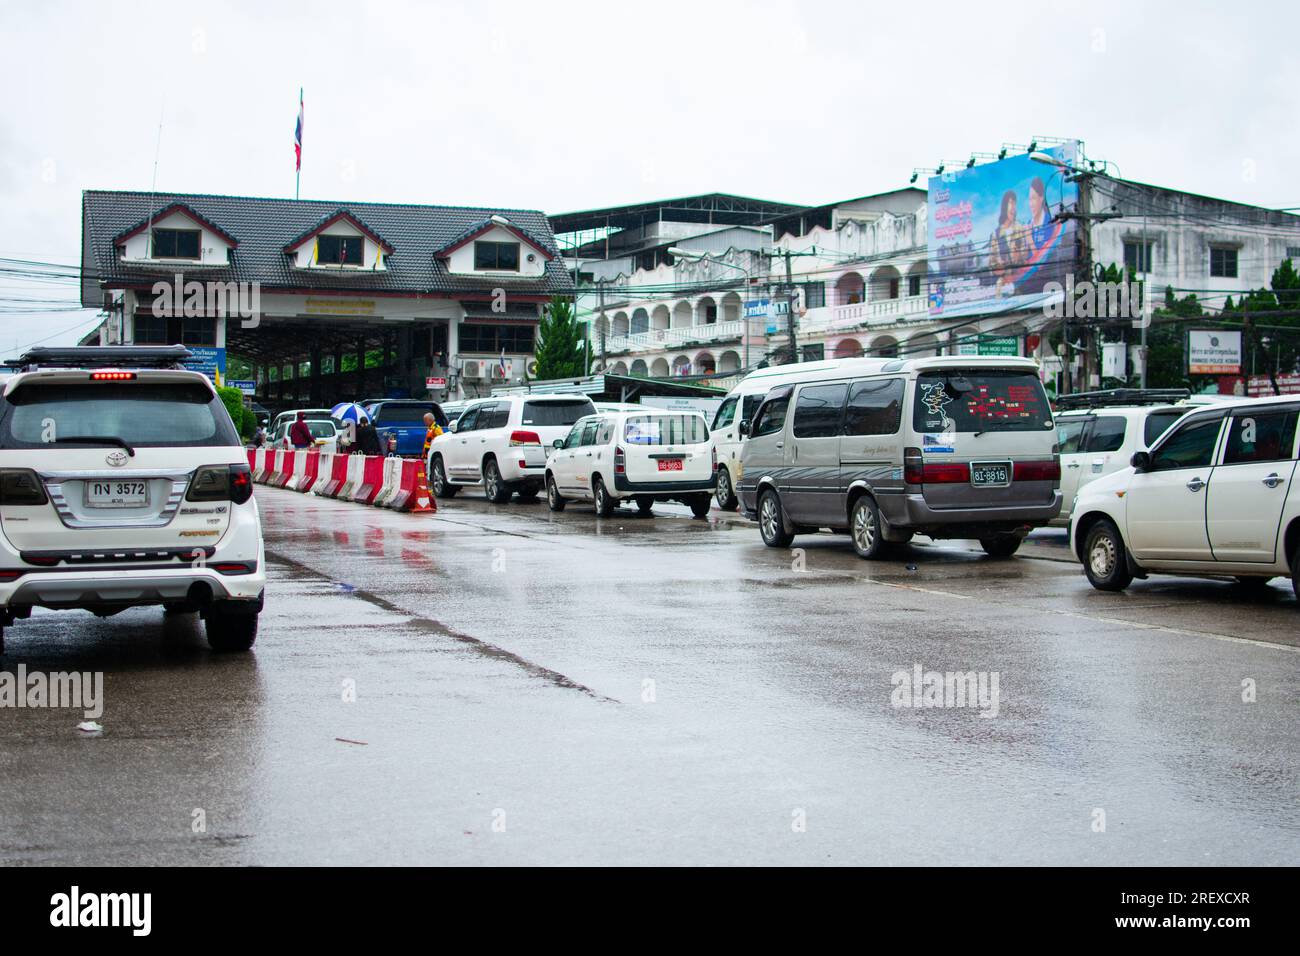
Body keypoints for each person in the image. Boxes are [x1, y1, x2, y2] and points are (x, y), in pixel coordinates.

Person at [988, 189, 1029, 296]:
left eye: (1015, 204)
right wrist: (1000, 269)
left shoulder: (1020, 229)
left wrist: (1018, 256)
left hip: (1021, 283)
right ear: (1005, 206)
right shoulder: (996, 234)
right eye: (1011, 203)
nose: (1013, 207)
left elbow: (1026, 257)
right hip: (1002, 288)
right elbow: (992, 265)